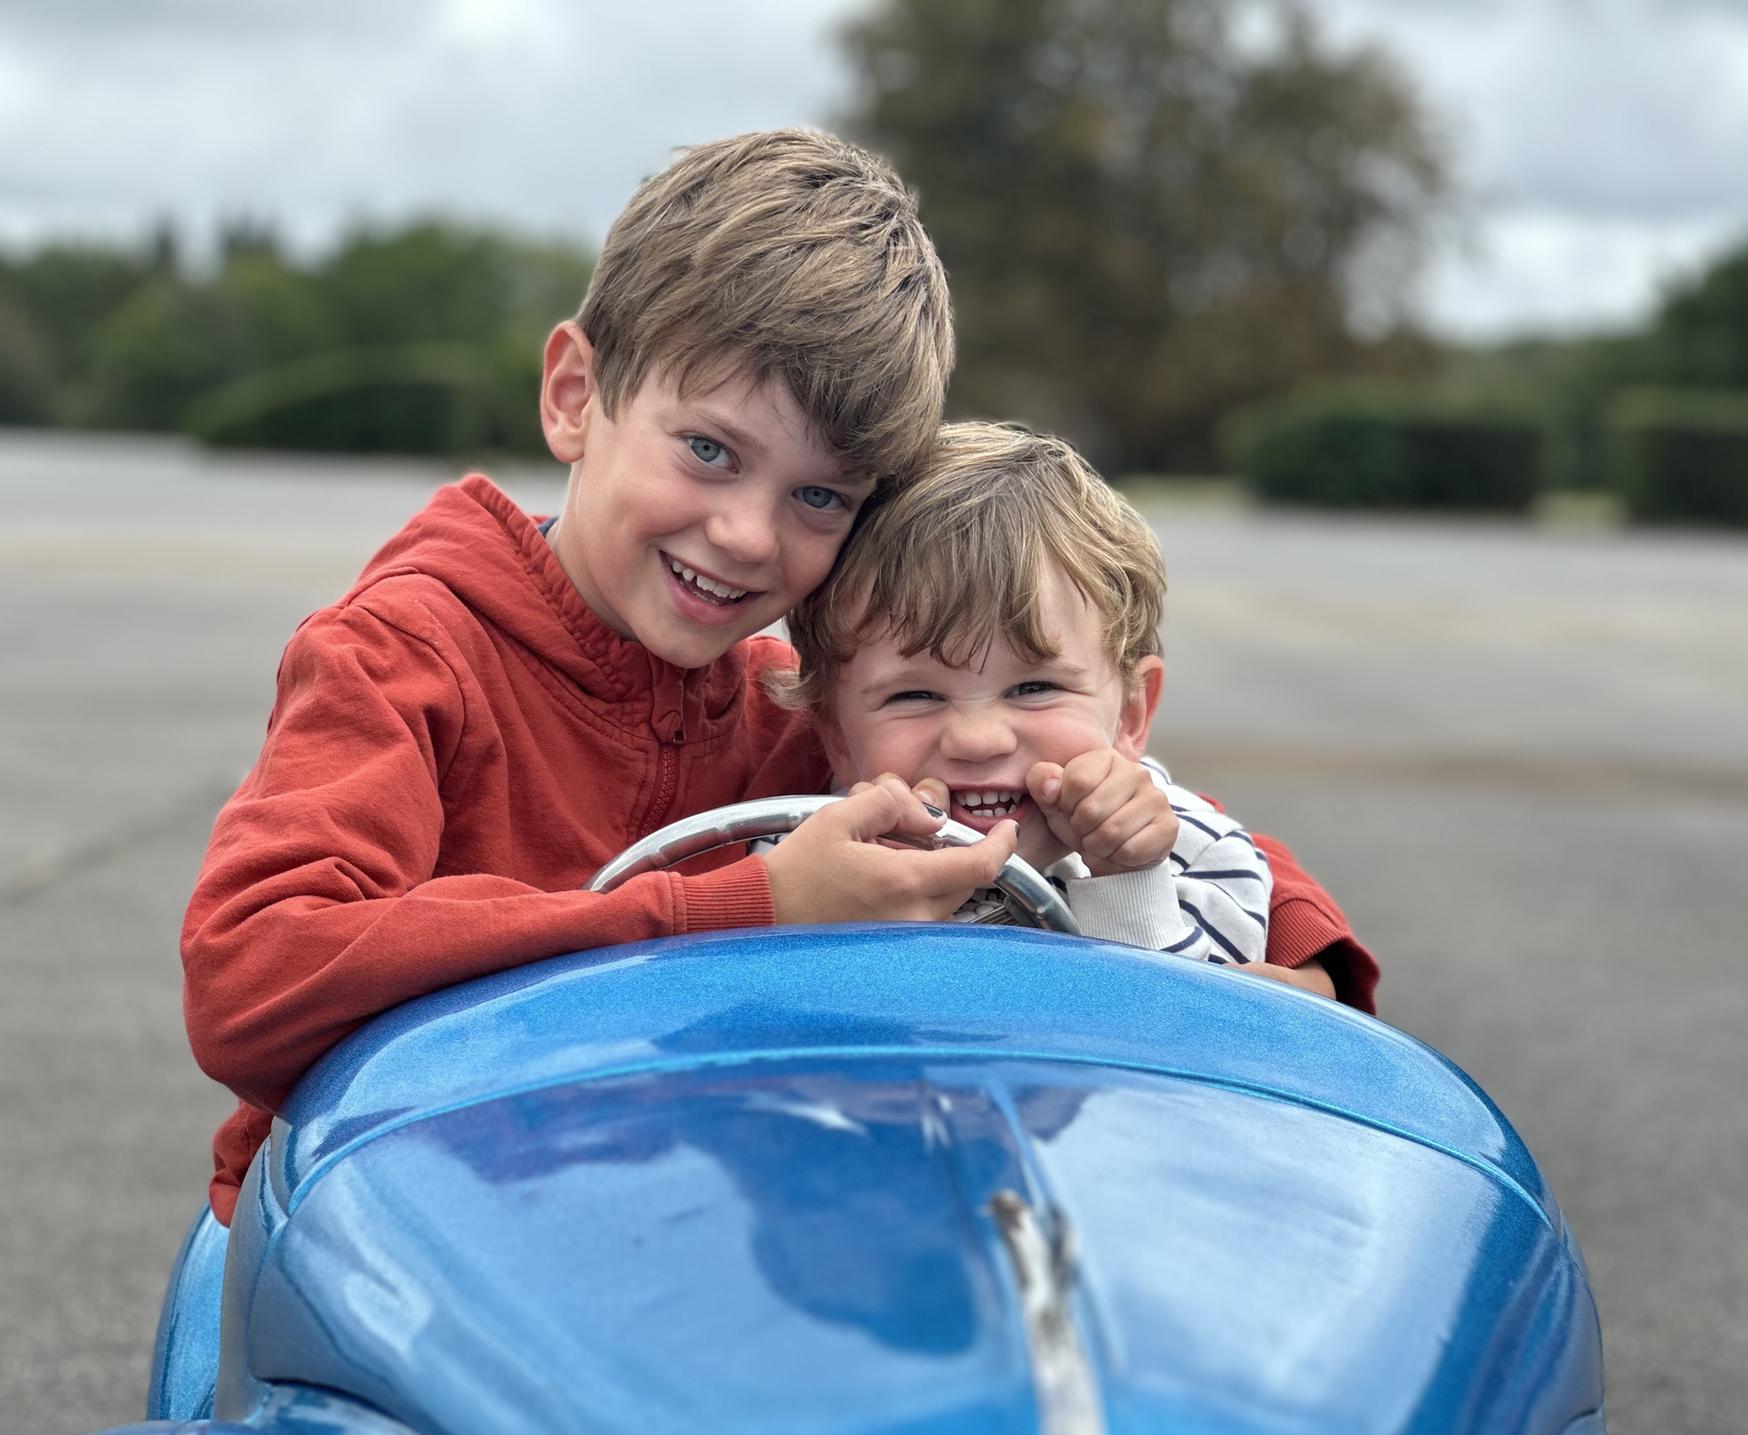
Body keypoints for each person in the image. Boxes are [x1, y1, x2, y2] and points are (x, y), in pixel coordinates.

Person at [181, 129, 1375, 1228]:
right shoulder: (404, 657)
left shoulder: (800, 707)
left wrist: (1279, 938)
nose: (749, 536)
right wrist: (747, 905)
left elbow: (1063, 795)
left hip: (693, 1223)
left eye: (818, 498)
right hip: (410, 1232)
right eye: (707, 450)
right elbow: (252, 981)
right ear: (574, 397)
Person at [768, 421, 1273, 963]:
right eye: (915, 696)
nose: (979, 740)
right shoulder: (800, 858)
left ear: (1131, 715)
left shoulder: (1201, 854)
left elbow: (1195, 1033)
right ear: (838, 737)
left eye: (1034, 687)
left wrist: (1128, 882)